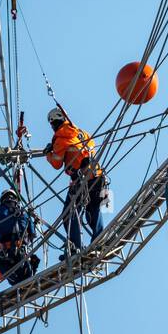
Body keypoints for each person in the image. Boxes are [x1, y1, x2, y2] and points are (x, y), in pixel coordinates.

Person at [41, 106, 105, 257]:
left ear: (54, 123)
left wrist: (49, 154)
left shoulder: (61, 138)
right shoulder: (81, 133)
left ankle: (75, 247)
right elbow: (91, 146)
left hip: (81, 180)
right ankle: (99, 240)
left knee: (69, 213)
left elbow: (57, 164)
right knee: (94, 209)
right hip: (99, 176)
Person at [0, 189, 37, 287]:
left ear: (2, 199)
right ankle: (27, 283)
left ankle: (20, 285)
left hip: (3, 252)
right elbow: (32, 233)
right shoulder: (23, 212)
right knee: (27, 274)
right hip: (21, 249)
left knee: (6, 271)